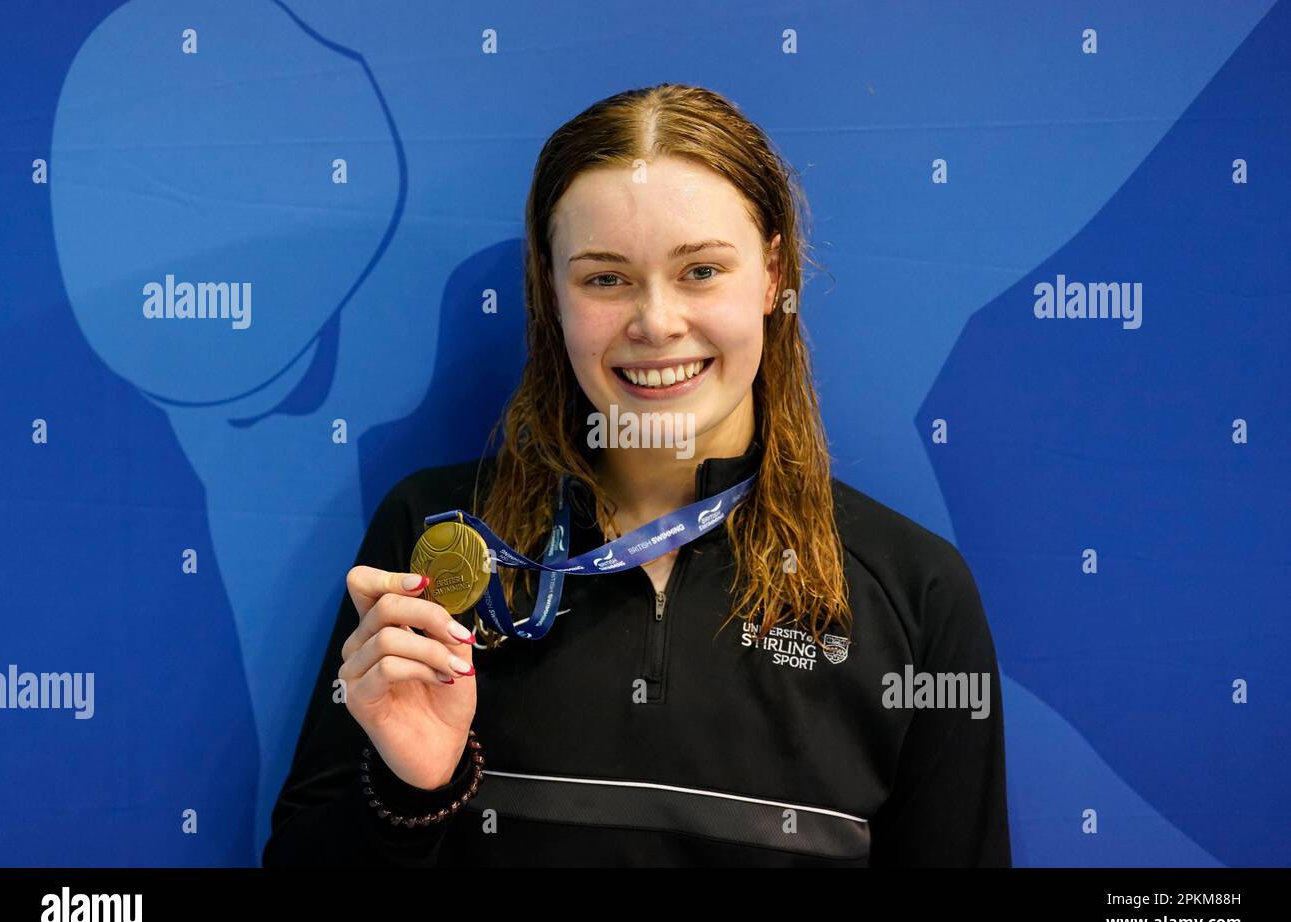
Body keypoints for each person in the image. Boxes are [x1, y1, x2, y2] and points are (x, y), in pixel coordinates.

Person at [263, 83, 1011, 867]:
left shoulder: (914, 593)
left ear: (771, 276)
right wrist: (412, 792)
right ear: (551, 294)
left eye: (701, 271)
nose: (655, 323)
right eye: (605, 278)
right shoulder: (438, 542)